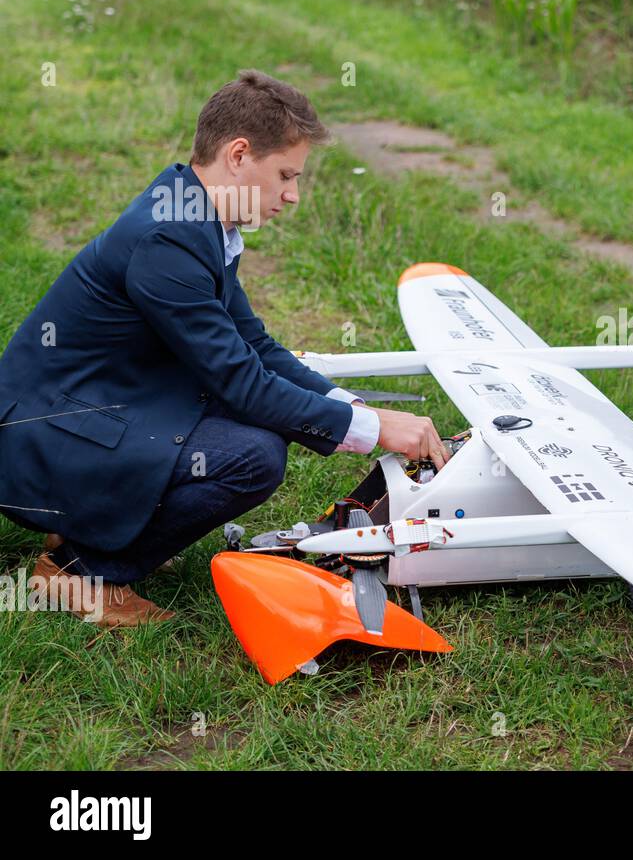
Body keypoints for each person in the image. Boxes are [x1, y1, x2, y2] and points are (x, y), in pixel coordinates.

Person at [0, 70, 448, 626]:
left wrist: (354, 409)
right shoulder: (170, 237)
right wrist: (377, 429)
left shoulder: (192, 210)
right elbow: (241, 381)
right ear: (239, 153)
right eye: (286, 174)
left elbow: (253, 345)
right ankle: (80, 570)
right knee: (254, 458)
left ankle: (96, 522)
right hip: (44, 434)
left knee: (247, 425)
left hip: (95, 403)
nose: (293, 195)